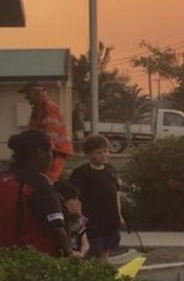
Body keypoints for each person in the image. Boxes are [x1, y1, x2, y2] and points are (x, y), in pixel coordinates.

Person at [0, 130, 72, 257]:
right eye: (51, 152)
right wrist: (70, 257)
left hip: (6, 263)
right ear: (40, 152)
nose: (53, 158)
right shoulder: (39, 185)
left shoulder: (4, 178)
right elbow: (56, 229)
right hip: (35, 263)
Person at [69, 134, 126, 262]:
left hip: (110, 220)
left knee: (107, 250)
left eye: (106, 151)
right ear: (89, 154)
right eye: (99, 152)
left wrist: (119, 215)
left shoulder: (110, 170)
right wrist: (78, 220)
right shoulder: (81, 173)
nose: (104, 155)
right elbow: (74, 199)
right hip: (92, 222)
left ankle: (104, 272)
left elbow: (116, 193)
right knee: (91, 252)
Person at [21, 82, 72, 182]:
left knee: (48, 180)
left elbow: (51, 133)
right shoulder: (39, 110)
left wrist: (46, 152)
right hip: (50, 152)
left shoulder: (49, 107)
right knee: (43, 180)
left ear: (37, 92)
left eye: (28, 93)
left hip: (55, 152)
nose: (26, 97)